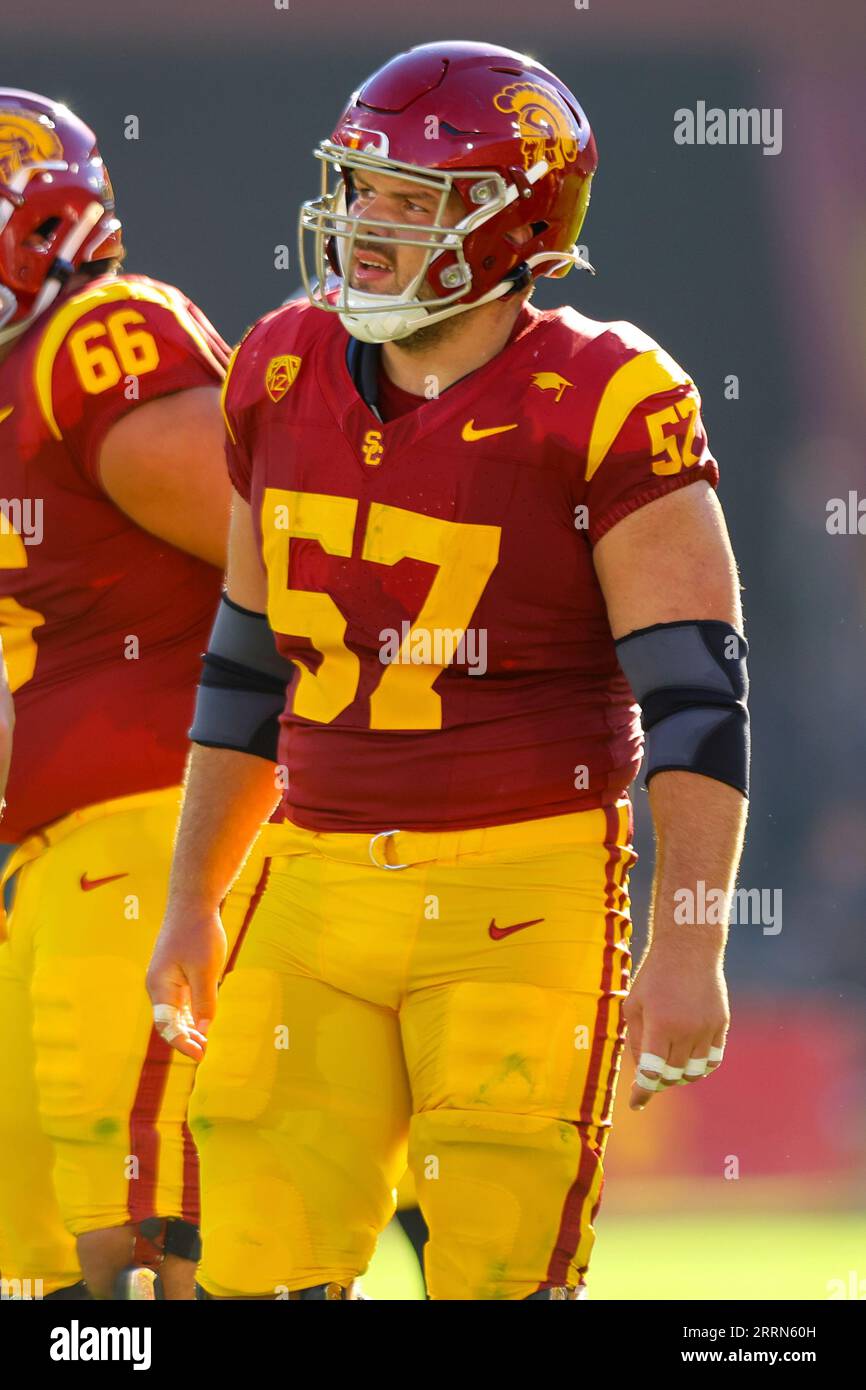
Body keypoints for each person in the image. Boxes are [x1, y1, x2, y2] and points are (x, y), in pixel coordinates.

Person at [148, 40, 749, 1301]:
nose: (366, 224)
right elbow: (246, 667)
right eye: (360, 188)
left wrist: (690, 943)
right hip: (311, 870)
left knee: (494, 1271)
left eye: (410, 201)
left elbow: (694, 699)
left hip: (520, 883)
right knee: (249, 1266)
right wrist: (192, 893)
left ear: (509, 223)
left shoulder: (602, 394)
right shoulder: (276, 364)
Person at [0, 89, 239, 1300]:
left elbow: (294, 567)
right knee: (43, 1261)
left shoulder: (100, 342)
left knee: (141, 1243)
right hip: (42, 855)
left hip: (150, 820)